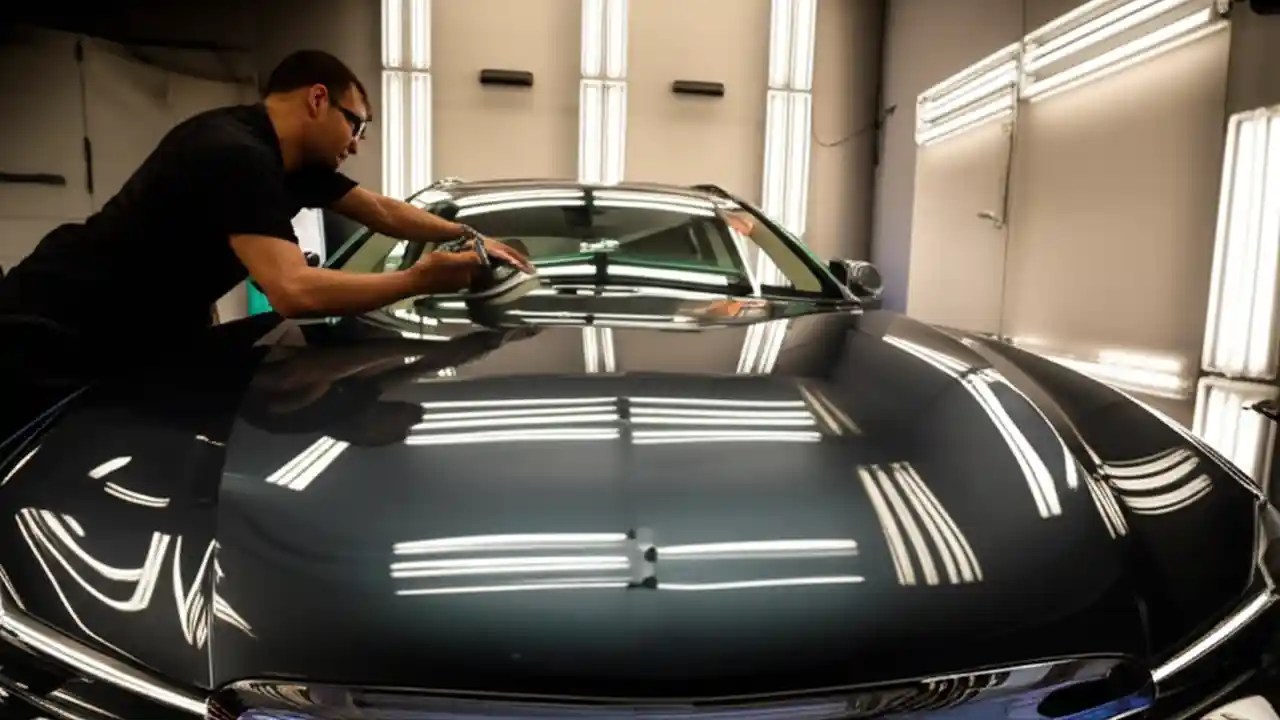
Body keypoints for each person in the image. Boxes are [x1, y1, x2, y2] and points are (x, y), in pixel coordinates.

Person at [0, 49, 530, 447]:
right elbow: (294, 292)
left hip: (141, 341)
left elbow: (384, 211)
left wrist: (470, 238)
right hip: (55, 332)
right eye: (357, 124)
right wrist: (422, 281)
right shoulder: (234, 154)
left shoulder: (292, 165)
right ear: (318, 99)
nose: (357, 143)